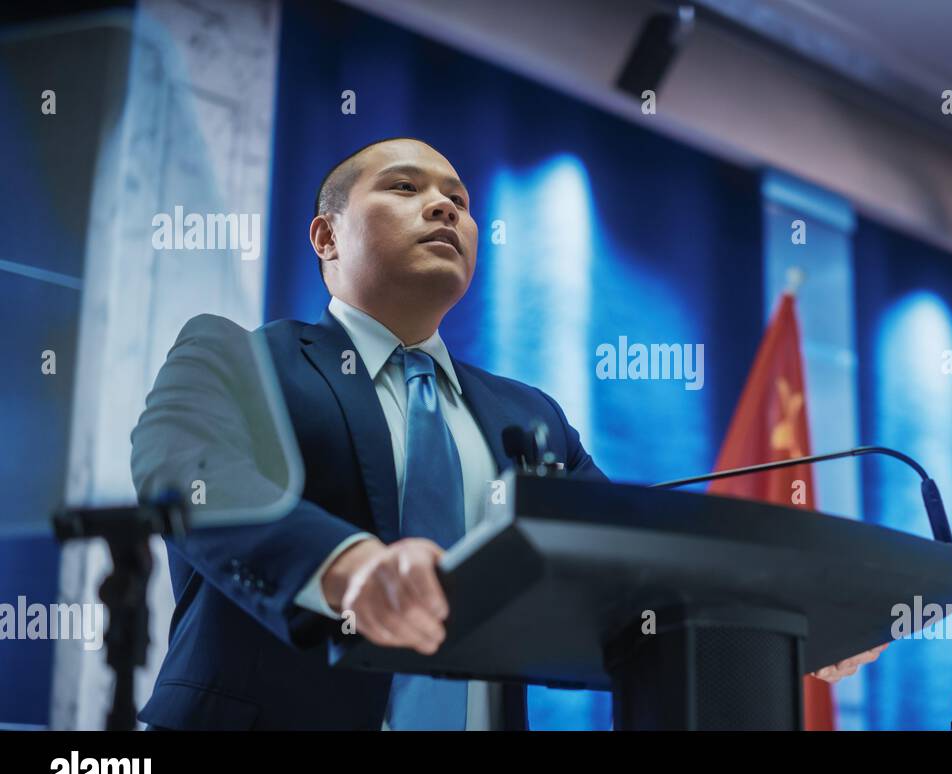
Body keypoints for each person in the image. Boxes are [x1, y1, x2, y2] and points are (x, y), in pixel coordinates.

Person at [131, 137, 878, 730]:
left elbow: (634, 571)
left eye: (458, 200)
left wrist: (793, 622)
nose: (443, 209)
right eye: (404, 187)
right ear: (326, 236)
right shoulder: (239, 355)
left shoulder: (530, 416)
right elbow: (181, 468)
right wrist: (345, 566)